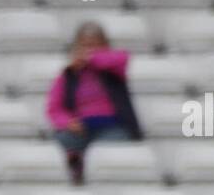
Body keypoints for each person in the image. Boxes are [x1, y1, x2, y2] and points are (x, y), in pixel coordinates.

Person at [46, 22, 142, 186]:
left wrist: (91, 58)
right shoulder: (68, 75)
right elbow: (54, 108)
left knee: (106, 151)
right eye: (84, 45)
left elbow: (122, 58)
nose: (89, 50)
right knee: (60, 142)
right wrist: (68, 122)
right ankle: (77, 169)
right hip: (82, 130)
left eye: (94, 45)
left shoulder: (112, 67)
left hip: (112, 128)